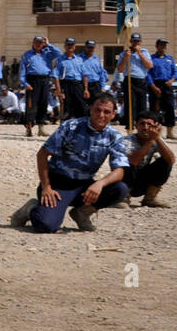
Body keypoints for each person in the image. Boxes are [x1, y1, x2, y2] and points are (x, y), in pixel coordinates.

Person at [10, 93, 130, 233]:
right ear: (91, 109)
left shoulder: (113, 136)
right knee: (46, 226)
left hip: (84, 185)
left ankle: (82, 212)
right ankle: (31, 208)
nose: (101, 115)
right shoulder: (71, 127)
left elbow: (120, 170)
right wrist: (46, 187)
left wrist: (100, 183)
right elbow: (42, 154)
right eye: (98, 110)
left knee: (120, 188)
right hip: (58, 184)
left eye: (106, 112)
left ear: (113, 114)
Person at [122, 111, 172, 208]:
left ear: (156, 127)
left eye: (149, 124)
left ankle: (149, 198)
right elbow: (134, 161)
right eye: (142, 124)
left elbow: (171, 160)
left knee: (165, 161)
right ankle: (123, 197)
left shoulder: (156, 139)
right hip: (126, 181)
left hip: (142, 182)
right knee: (129, 164)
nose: (145, 127)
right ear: (136, 126)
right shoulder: (127, 140)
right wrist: (151, 141)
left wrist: (157, 138)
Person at [19, 34, 58, 137]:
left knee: (43, 104)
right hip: (32, 80)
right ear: (33, 43)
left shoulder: (47, 54)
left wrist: (49, 44)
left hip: (45, 80)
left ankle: (41, 128)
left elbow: (58, 53)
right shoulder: (27, 55)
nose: (38, 45)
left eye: (41, 43)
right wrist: (25, 83)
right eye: (36, 42)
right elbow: (22, 70)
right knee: (31, 105)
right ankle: (29, 127)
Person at [113, 33, 154, 126]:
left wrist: (139, 53)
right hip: (129, 80)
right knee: (131, 106)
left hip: (141, 80)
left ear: (141, 42)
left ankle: (142, 126)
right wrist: (125, 57)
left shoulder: (145, 52)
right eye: (134, 41)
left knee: (142, 106)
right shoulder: (124, 53)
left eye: (138, 41)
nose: (136, 43)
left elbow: (149, 65)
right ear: (130, 42)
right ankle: (130, 127)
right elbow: (120, 69)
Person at [148, 38, 177, 139]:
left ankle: (170, 132)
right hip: (156, 85)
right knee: (155, 109)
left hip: (167, 85)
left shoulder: (169, 58)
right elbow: (148, 74)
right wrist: (153, 87)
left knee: (170, 107)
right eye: (161, 45)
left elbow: (175, 72)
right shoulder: (151, 58)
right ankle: (155, 132)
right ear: (157, 46)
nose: (163, 47)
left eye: (165, 45)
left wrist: (172, 80)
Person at [54, 37, 87, 120]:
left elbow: (85, 75)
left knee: (81, 107)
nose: (70, 47)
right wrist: (59, 91)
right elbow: (56, 76)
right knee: (67, 109)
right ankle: (65, 129)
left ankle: (81, 128)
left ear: (75, 47)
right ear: (65, 46)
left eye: (72, 45)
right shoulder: (59, 60)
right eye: (68, 45)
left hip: (78, 85)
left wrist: (86, 89)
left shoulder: (79, 60)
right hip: (66, 85)